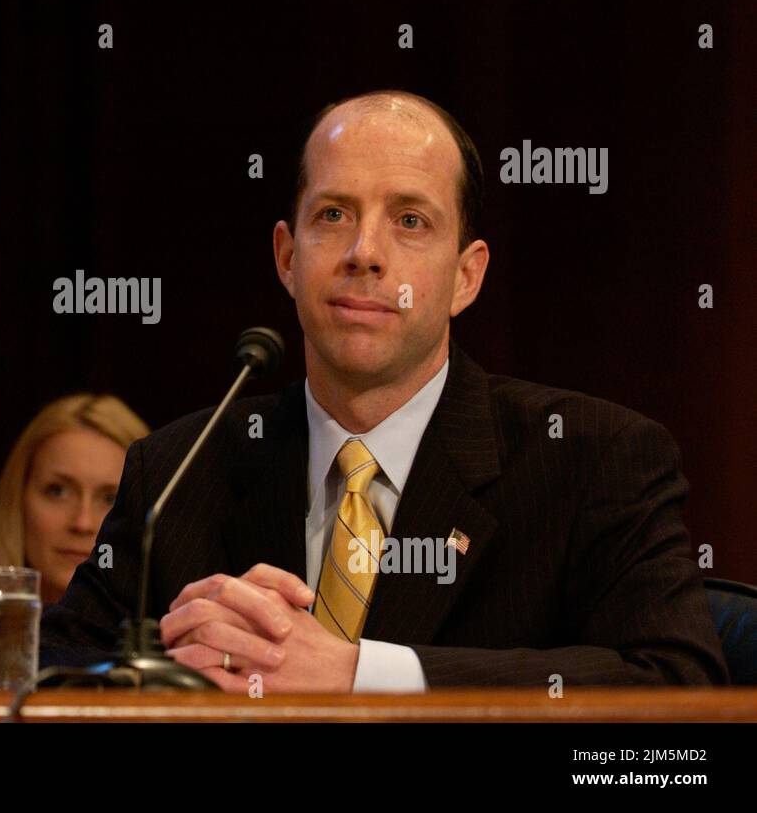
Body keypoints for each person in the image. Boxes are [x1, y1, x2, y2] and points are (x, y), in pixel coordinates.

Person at [39, 89, 728, 690]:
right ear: (287, 256)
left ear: (467, 275)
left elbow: (678, 682)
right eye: (334, 214)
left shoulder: (592, 458)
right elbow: (51, 672)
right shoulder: (178, 470)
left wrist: (359, 674)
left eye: (409, 221)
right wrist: (173, 661)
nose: (364, 252)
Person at [0, 394, 149, 606]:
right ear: (18, 501)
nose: (82, 523)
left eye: (110, 499)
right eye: (58, 491)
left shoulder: (180, 637)